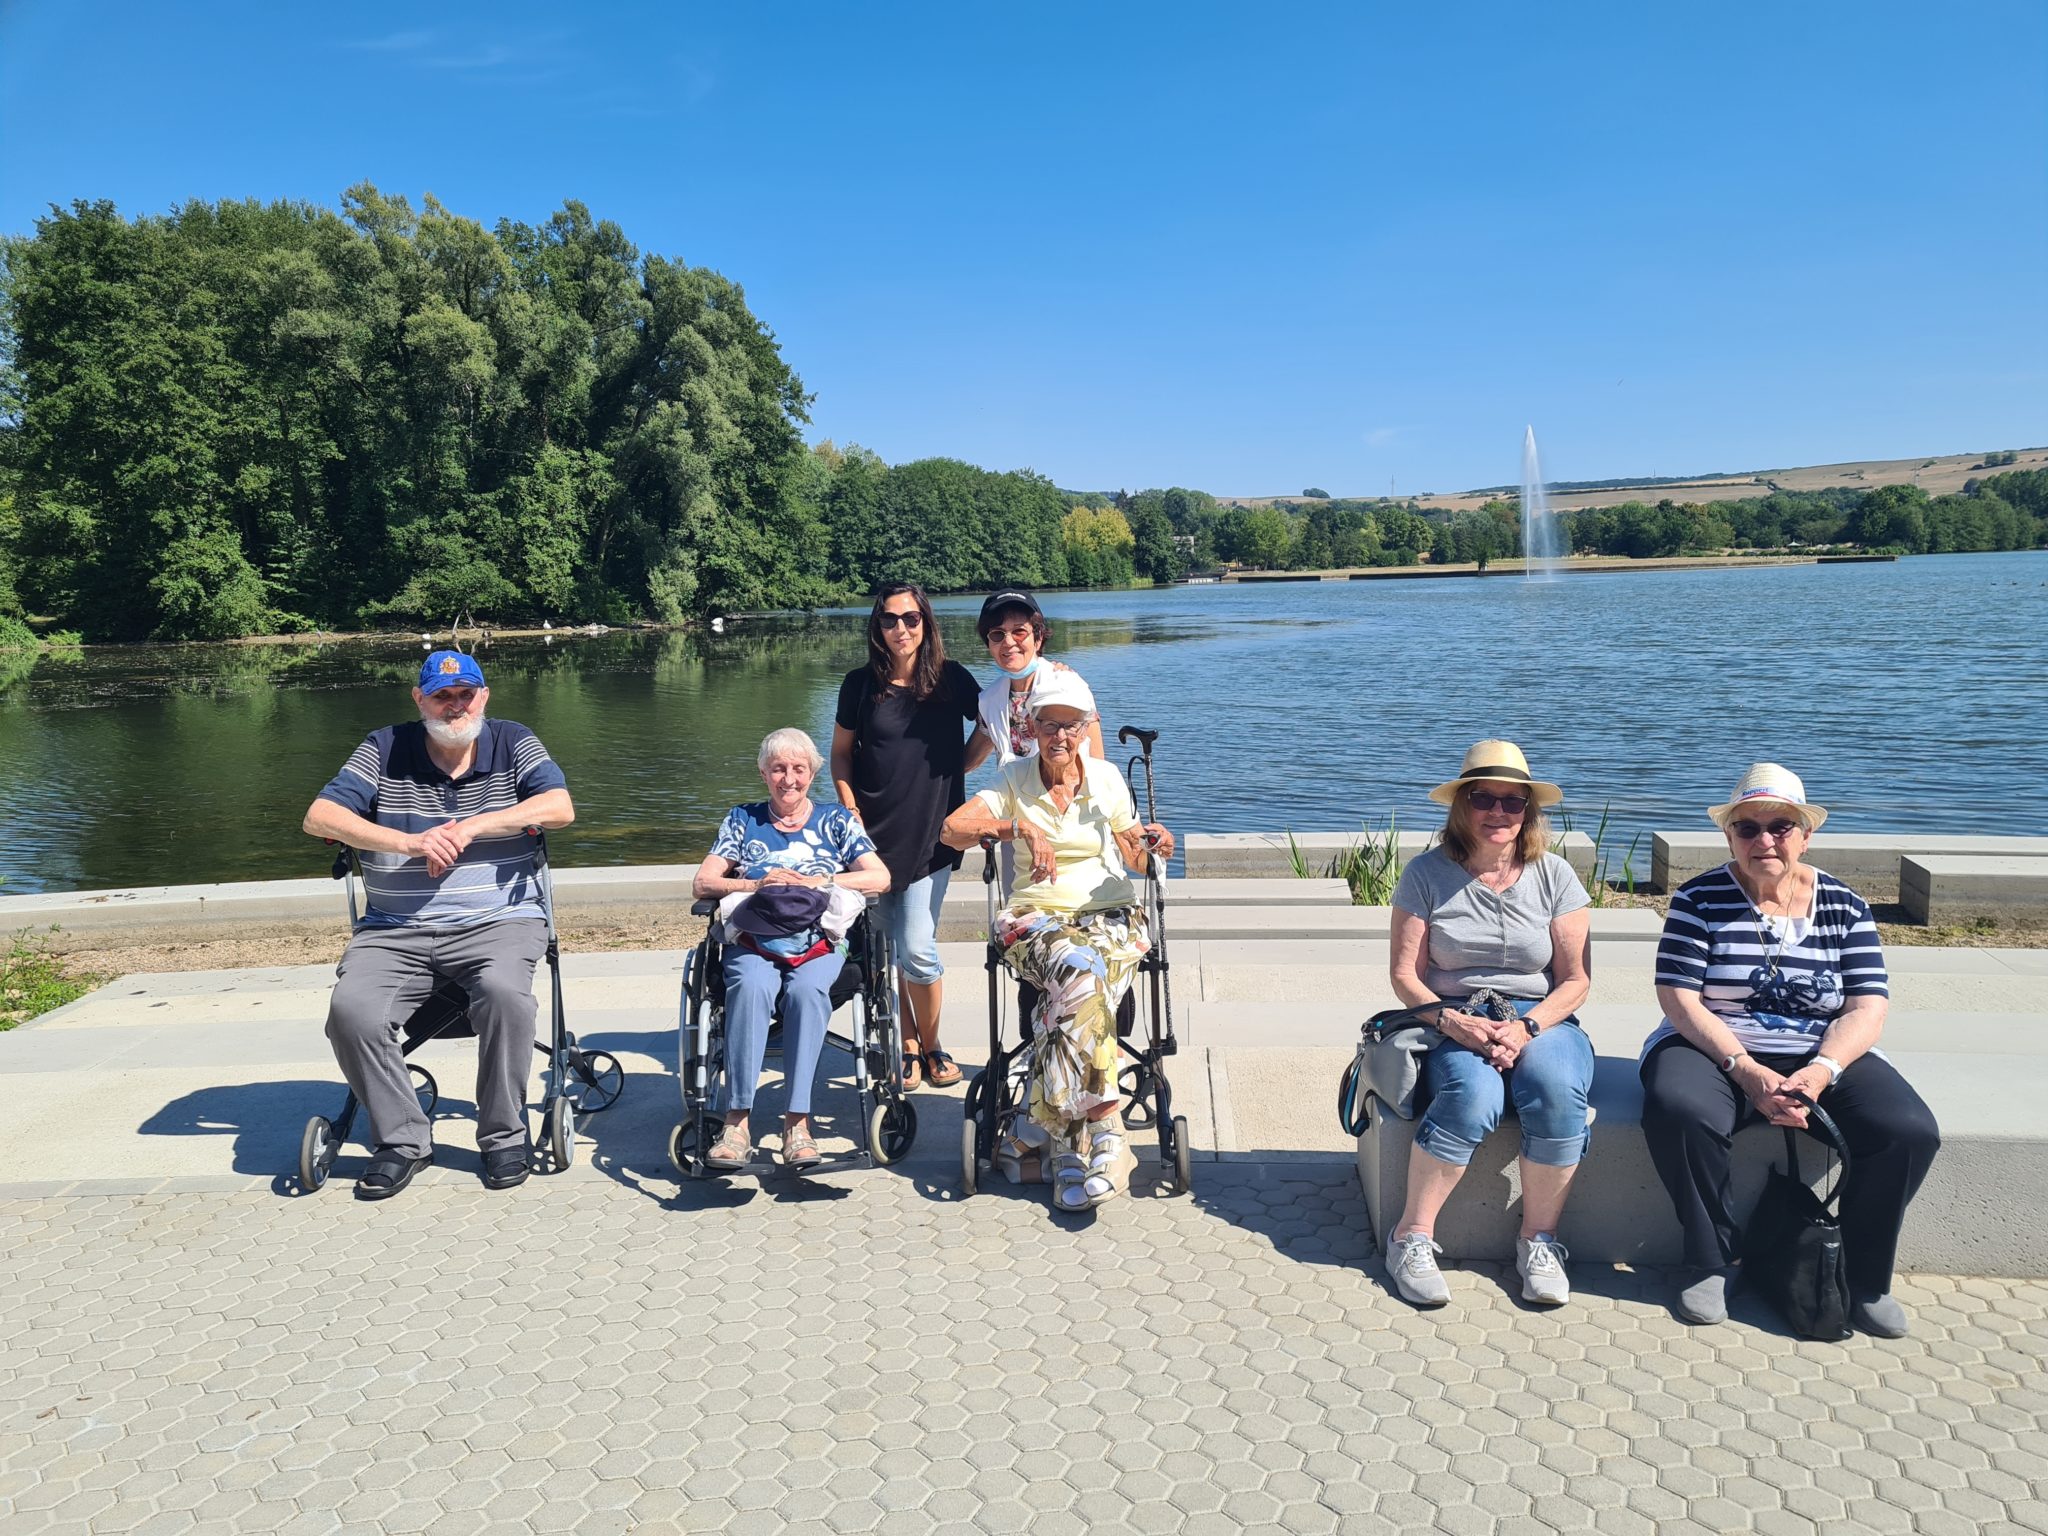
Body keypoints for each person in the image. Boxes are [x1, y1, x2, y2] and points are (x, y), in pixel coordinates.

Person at [1640, 763, 1939, 1336]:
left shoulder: (1844, 906)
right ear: (1730, 836)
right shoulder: (1698, 899)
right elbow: (1679, 999)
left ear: (1806, 833)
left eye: (1780, 826)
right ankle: (1712, 1261)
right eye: (1747, 828)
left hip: (1819, 1051)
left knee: (1906, 1129)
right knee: (1680, 1108)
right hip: (1712, 1048)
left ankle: (1862, 1276)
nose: (1764, 840)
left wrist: (1821, 1071)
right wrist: (1747, 1070)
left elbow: (1866, 1008)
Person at [303, 651, 575, 1200]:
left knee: (506, 996)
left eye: (465, 694)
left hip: (498, 920)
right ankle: (403, 1140)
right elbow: (319, 817)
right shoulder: (384, 747)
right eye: (441, 696)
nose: (455, 706)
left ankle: (503, 1134)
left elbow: (559, 805)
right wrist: (411, 841)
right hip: (394, 927)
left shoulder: (511, 740)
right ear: (419, 699)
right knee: (350, 1011)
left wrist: (472, 827)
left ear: (484, 696)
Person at [941, 674, 1175, 1213]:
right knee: (1081, 970)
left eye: (1072, 725)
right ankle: (1107, 1129)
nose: (1060, 735)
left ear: (1086, 728)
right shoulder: (1012, 777)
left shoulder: (1108, 780)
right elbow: (952, 829)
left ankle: (1064, 1142)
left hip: (1109, 914)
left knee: (1080, 977)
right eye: (1049, 724)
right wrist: (1018, 830)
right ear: (1032, 727)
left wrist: (1158, 843)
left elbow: (1136, 857)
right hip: (1034, 917)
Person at [1382, 741, 1594, 1307]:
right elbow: (1406, 976)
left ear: (1528, 811)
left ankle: (1539, 1242)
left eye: (1513, 801)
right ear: (1461, 804)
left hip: (1541, 1017)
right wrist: (1455, 1024)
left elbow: (1575, 980)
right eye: (1484, 798)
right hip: (1455, 1016)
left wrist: (1527, 1029)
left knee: (1555, 1090)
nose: (1498, 812)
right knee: (1472, 1096)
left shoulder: (1555, 876)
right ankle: (1410, 1237)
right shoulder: (1425, 875)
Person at [692, 728, 891, 1171]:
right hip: (754, 938)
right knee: (749, 987)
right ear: (764, 773)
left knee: (806, 993)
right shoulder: (743, 819)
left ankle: (797, 1123)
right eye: (778, 768)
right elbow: (703, 882)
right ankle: (736, 1122)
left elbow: (879, 877)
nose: (789, 779)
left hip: (819, 942)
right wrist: (756, 883)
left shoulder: (837, 820)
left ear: (812, 773)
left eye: (798, 769)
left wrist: (816, 882)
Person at [831, 582, 988, 1092]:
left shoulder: (952, 679)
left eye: (911, 619)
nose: (901, 628)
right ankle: (904, 1044)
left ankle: (933, 1040)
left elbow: (995, 720)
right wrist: (849, 810)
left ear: (927, 623)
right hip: (870, 838)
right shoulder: (859, 685)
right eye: (890, 619)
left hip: (931, 834)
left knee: (918, 945)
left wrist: (958, 768)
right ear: (877, 626)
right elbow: (840, 754)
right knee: (886, 947)